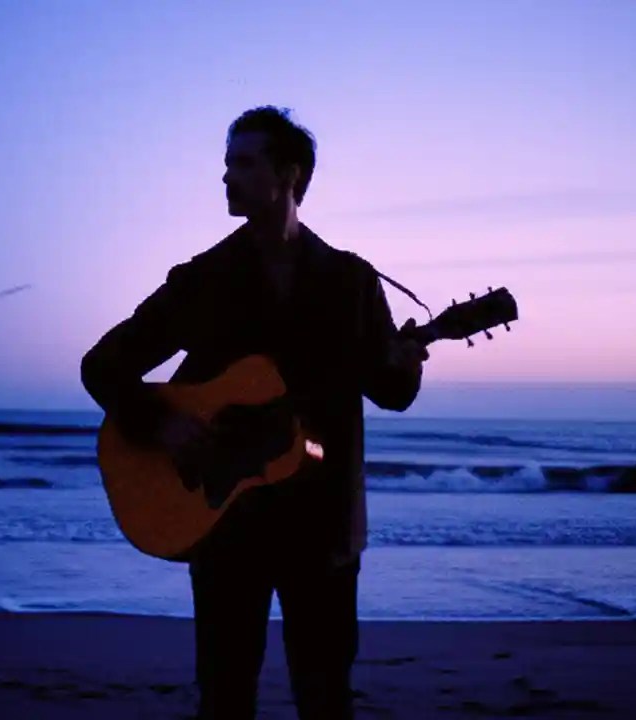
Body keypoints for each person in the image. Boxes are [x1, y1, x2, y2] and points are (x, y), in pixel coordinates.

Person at [80, 105, 428, 719]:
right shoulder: (203, 279)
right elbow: (103, 365)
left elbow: (390, 391)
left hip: (322, 525)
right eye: (226, 164)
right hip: (223, 518)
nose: (226, 178)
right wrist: (164, 423)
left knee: (325, 698)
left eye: (243, 163)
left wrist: (406, 356)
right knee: (225, 695)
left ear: (289, 173)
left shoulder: (350, 281)